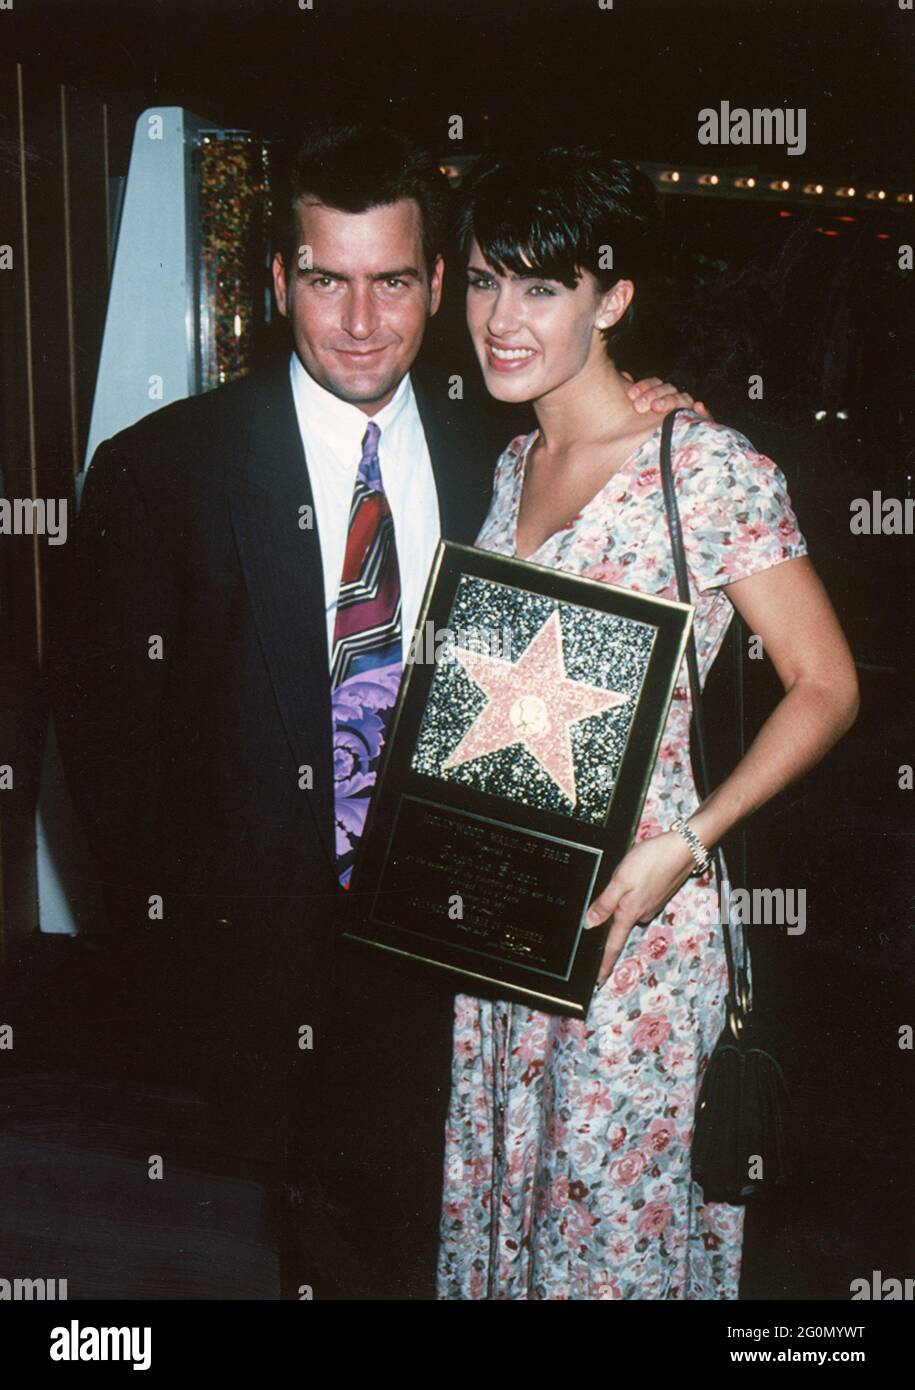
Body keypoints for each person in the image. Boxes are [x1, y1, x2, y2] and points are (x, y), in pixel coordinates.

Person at [48, 122, 695, 1299]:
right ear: (278, 282)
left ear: (439, 285)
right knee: (301, 1243)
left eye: (393, 281)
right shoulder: (161, 470)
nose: (360, 321)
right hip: (261, 962)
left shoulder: (503, 453)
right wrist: (185, 946)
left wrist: (647, 412)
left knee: (439, 1242)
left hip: (457, 955)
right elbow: (103, 746)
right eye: (327, 280)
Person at [437, 146, 860, 1300]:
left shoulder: (705, 466)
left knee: (609, 1252)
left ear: (612, 298)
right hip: (509, 921)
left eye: (541, 286)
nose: (501, 319)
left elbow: (827, 683)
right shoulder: (514, 459)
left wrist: (693, 840)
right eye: (482, 281)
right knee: (514, 1225)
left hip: (640, 925)